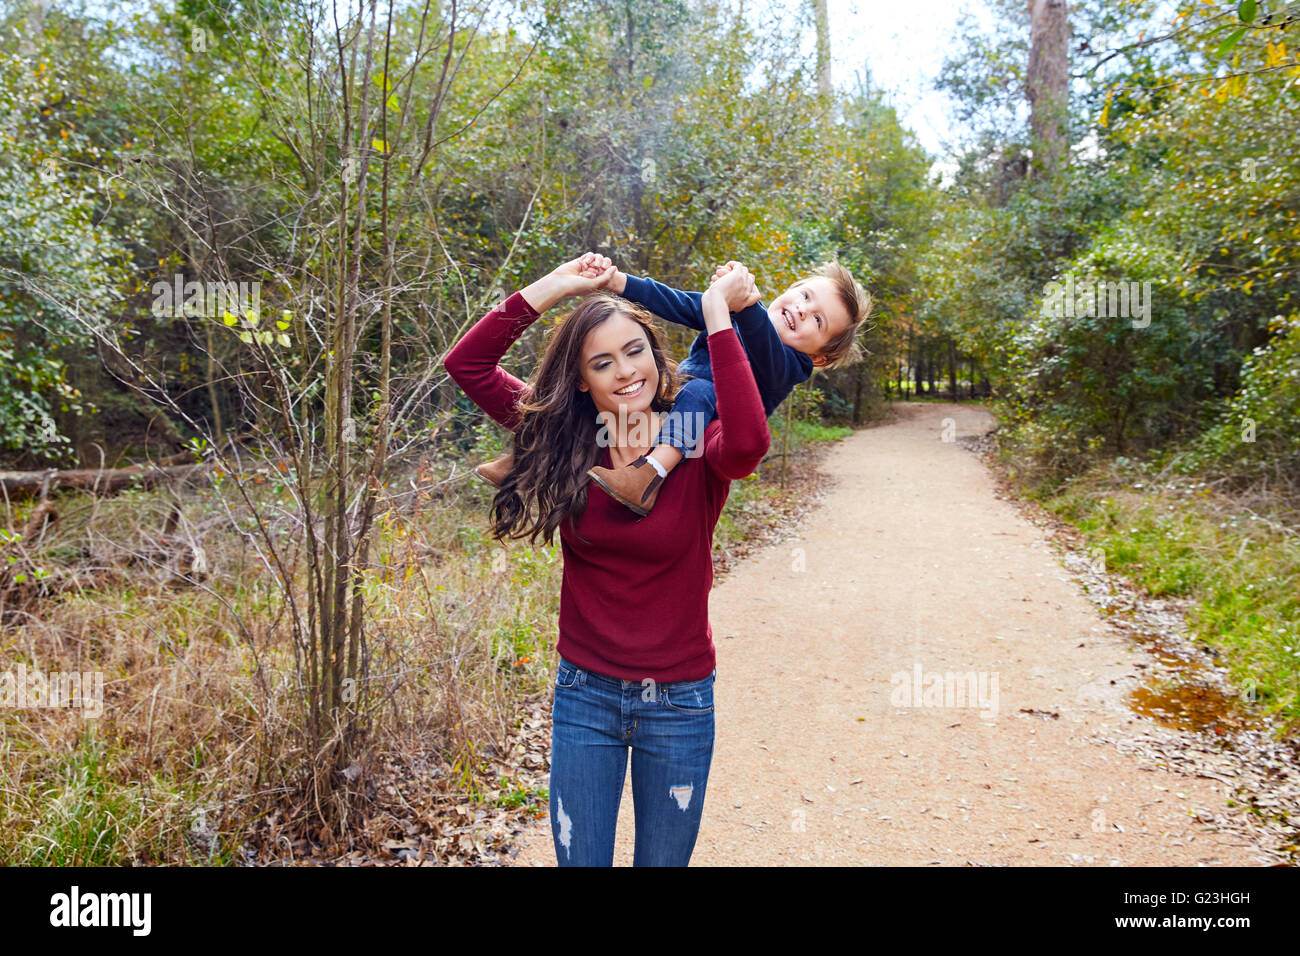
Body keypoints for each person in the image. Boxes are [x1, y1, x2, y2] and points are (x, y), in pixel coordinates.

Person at [442, 252, 770, 866]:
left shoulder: (694, 439)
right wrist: (561, 285)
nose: (625, 372)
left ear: (656, 356)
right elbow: (467, 363)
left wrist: (718, 317)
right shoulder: (563, 434)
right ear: (582, 380)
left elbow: (750, 442)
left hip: (678, 702)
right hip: (585, 695)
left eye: (635, 351)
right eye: (602, 362)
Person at [473, 260, 871, 516]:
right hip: (675, 398)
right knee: (601, 401)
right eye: (804, 295)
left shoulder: (792, 365)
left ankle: (649, 473)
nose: (802, 309)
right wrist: (619, 282)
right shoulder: (736, 314)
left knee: (700, 389)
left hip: (710, 414)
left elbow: (763, 350)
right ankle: (534, 456)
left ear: (820, 357)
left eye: (818, 321)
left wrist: (741, 307)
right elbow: (678, 303)